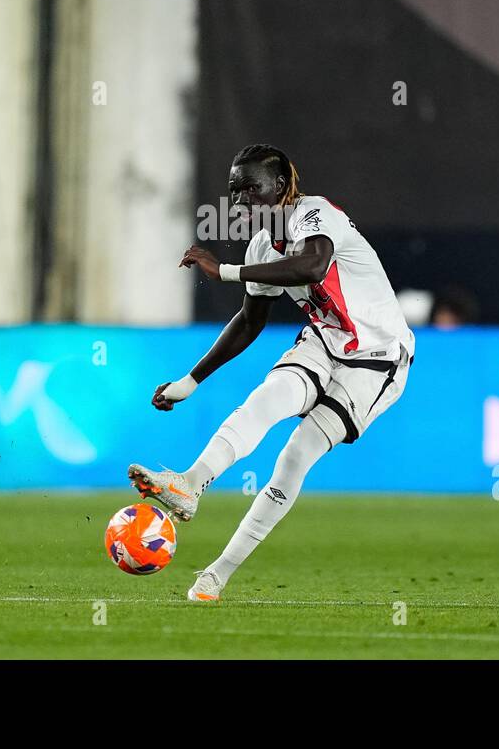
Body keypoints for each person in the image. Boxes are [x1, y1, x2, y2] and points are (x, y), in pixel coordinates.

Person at [127, 144, 414, 602]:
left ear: (280, 187)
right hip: (325, 339)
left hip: (378, 358)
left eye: (251, 188)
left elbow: (312, 264)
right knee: (267, 398)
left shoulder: (316, 214)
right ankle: (189, 484)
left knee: (295, 457)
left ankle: (217, 574)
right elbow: (250, 320)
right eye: (234, 191)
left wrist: (222, 270)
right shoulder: (263, 244)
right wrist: (190, 380)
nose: (241, 201)